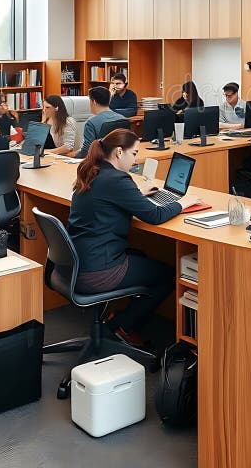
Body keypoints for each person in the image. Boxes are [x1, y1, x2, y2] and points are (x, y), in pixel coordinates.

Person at [67, 128, 199, 344]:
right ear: (119, 152)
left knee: (141, 255)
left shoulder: (94, 170)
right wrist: (182, 203)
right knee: (168, 275)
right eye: (134, 153)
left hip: (77, 264)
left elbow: (109, 198)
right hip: (99, 271)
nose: (135, 159)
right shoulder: (117, 180)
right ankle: (121, 327)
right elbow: (155, 215)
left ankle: (120, 320)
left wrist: (136, 195)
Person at [76, 86, 124, 158]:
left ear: (94, 102)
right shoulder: (123, 118)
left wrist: (73, 155)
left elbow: (87, 151)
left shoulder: (91, 123)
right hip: (120, 161)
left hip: (98, 164)